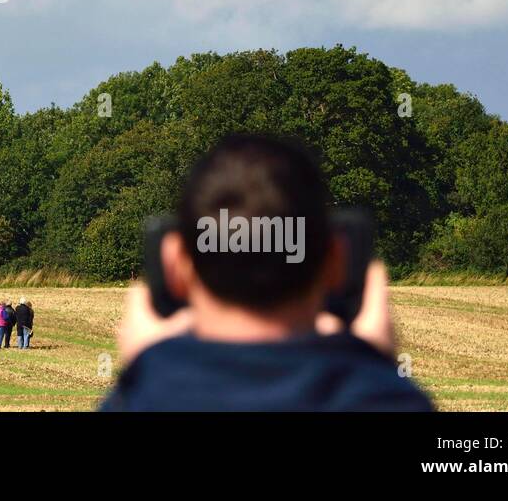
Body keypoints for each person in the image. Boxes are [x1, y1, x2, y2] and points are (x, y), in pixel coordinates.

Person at [102, 134, 432, 411]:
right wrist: (374, 367)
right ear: (335, 260)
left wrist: (148, 370)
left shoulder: (144, 393)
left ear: (174, 263)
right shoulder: (384, 397)